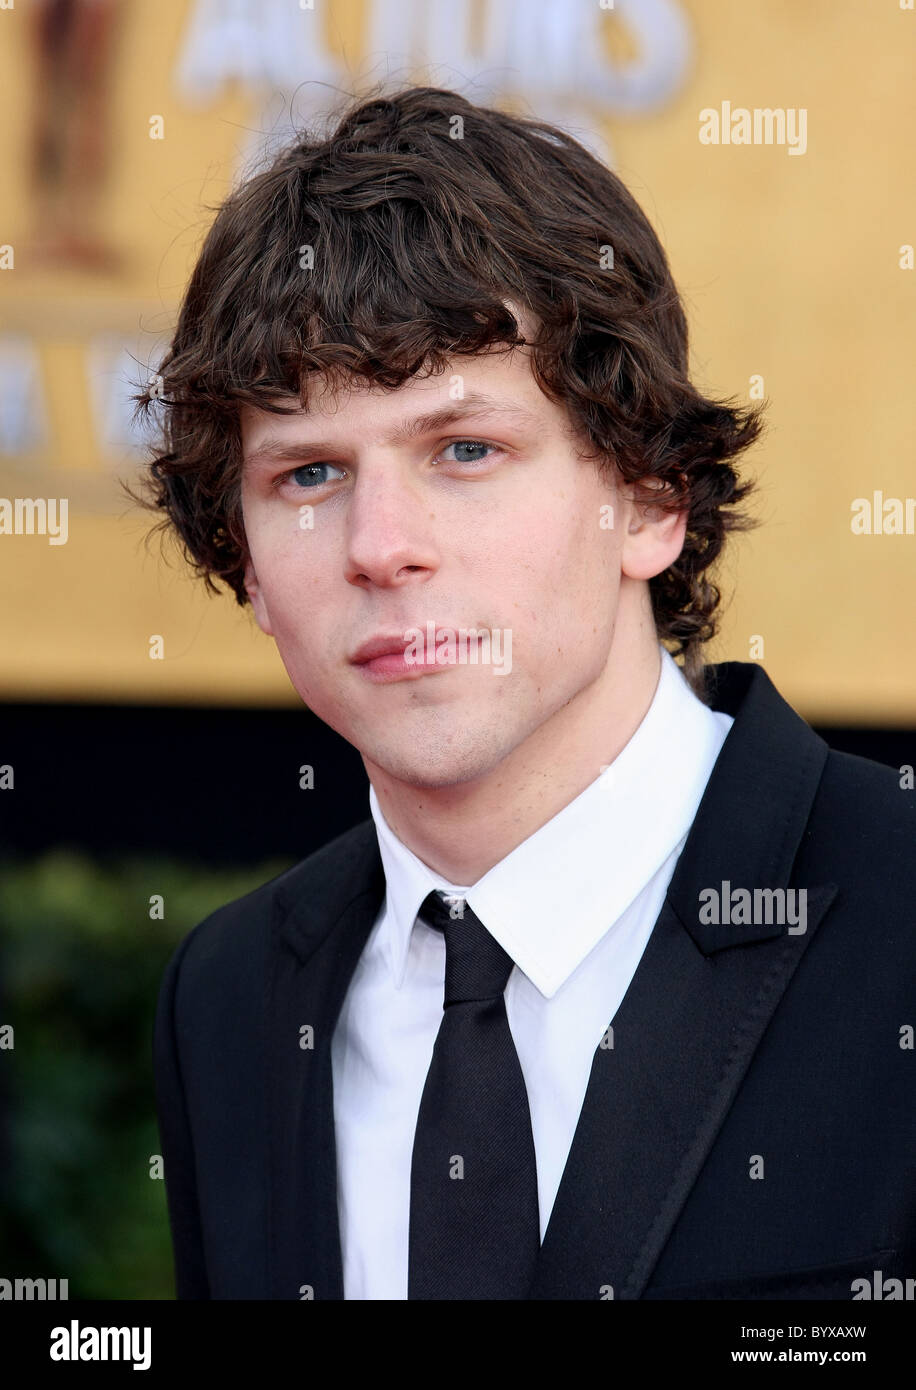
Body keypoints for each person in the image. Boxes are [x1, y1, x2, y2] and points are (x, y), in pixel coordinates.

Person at [140, 85, 915, 1301]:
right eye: (308, 472)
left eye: (464, 451)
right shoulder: (231, 999)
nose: (379, 543)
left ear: (653, 497)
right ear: (242, 560)